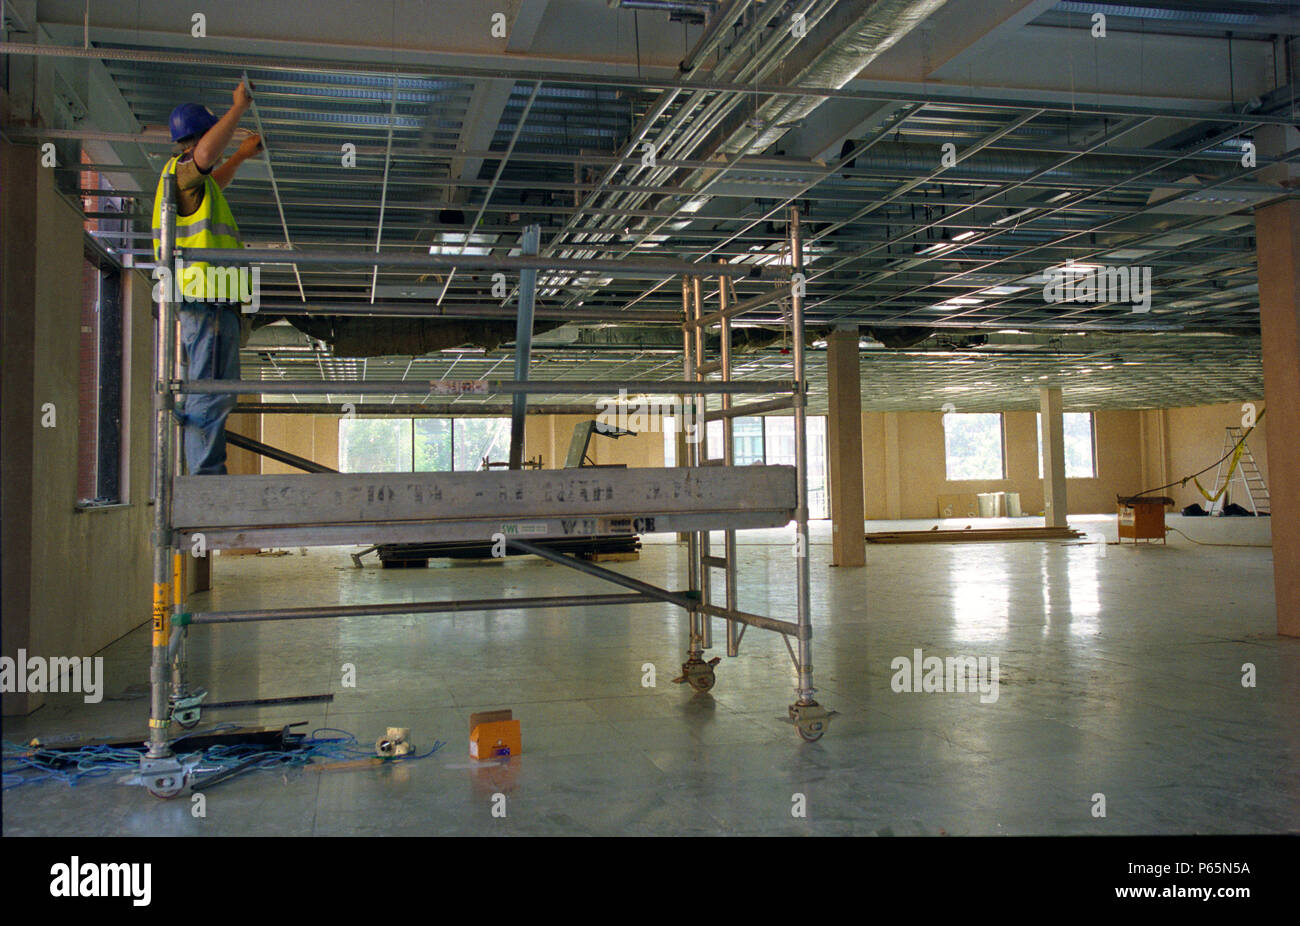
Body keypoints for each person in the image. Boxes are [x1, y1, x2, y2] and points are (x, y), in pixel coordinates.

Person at [151, 82, 263, 475]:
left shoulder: (195, 185)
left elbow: (218, 174)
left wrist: (242, 156)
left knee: (213, 388)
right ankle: (206, 479)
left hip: (212, 305)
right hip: (208, 302)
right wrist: (237, 111)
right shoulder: (179, 174)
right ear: (197, 138)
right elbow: (204, 157)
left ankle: (204, 473)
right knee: (211, 391)